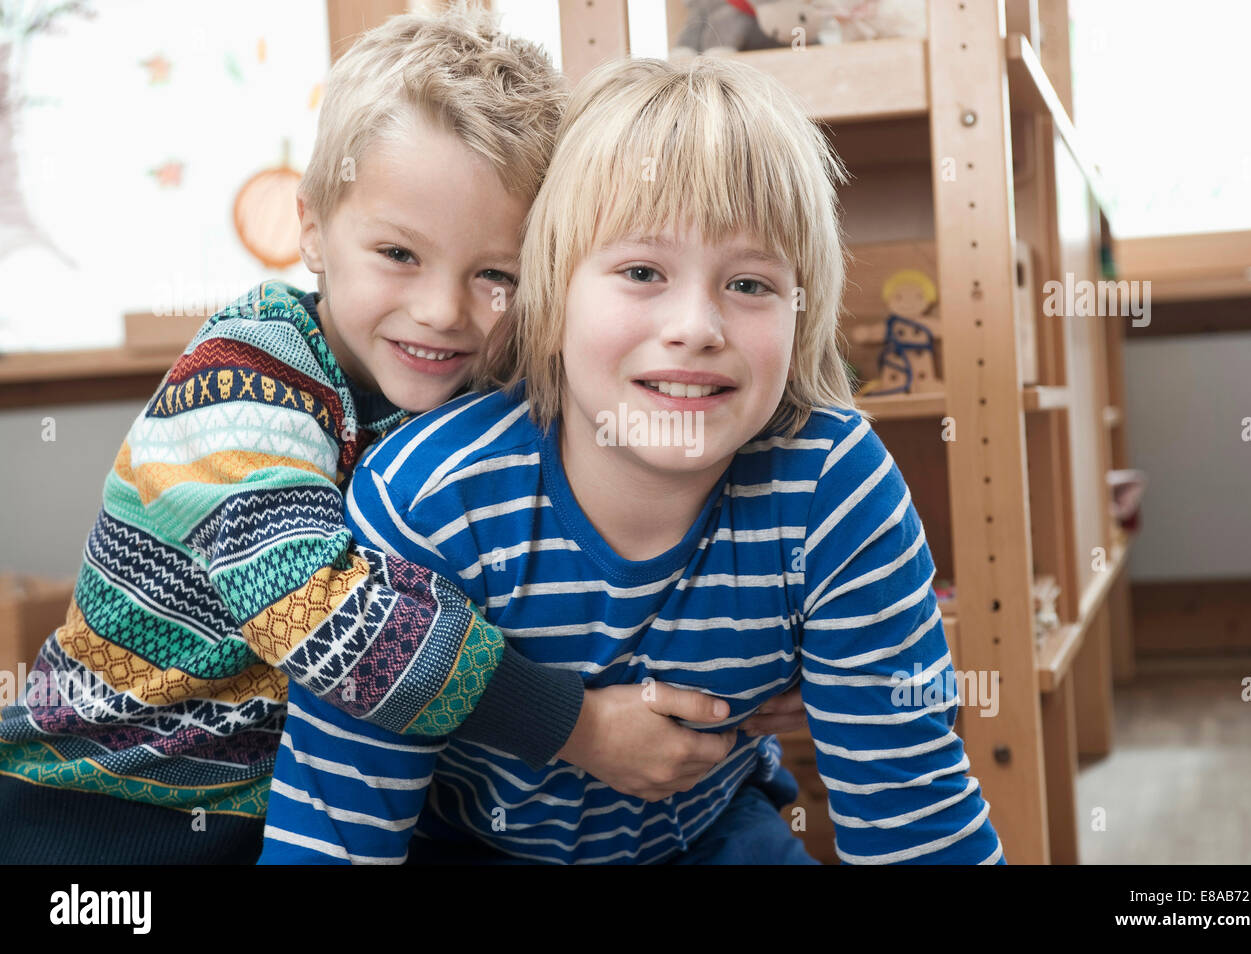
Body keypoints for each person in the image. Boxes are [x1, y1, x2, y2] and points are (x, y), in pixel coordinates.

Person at [0, 5, 793, 865]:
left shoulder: (496, 400)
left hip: (339, 806)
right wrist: (574, 727)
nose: (443, 311)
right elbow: (315, 612)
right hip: (102, 807)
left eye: (497, 274)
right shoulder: (246, 372)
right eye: (398, 254)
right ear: (310, 228)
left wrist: (748, 681)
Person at [260, 53, 1005, 865]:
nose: (696, 326)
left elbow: (915, 812)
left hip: (711, 835)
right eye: (642, 271)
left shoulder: (834, 484)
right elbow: (335, 833)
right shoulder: (432, 496)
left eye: (750, 285)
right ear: (550, 295)